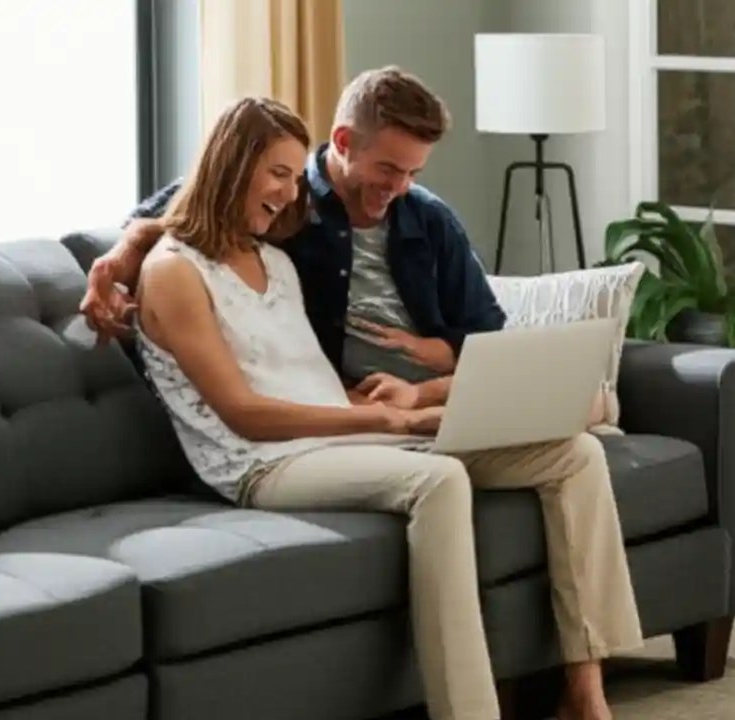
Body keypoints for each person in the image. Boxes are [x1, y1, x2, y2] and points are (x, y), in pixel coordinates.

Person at [129, 94, 641, 720]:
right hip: (262, 462)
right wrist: (388, 420)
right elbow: (244, 413)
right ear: (233, 166)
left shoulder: (273, 261)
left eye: (295, 177)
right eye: (279, 175)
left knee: (574, 451)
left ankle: (588, 694)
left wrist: (409, 405)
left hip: (337, 441)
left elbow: (306, 379)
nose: (292, 196)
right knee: (439, 478)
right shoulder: (174, 272)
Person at [82, 65, 506, 391]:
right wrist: (121, 255)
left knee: (568, 447)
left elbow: (487, 340)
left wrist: (437, 352)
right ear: (343, 142)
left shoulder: (430, 219)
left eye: (413, 172)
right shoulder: (278, 196)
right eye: (388, 169)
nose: (400, 187)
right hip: (343, 405)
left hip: (439, 396)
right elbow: (185, 210)